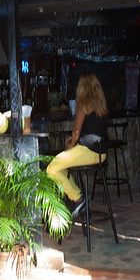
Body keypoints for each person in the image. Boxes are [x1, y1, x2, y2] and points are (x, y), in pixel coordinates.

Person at [46, 73, 108, 204]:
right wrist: (74, 141)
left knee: (51, 168)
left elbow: (77, 131)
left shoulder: (83, 103)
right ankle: (77, 195)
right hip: (101, 153)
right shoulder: (101, 105)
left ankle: (78, 199)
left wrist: (72, 143)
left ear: (82, 87)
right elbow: (89, 130)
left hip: (88, 152)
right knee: (60, 167)